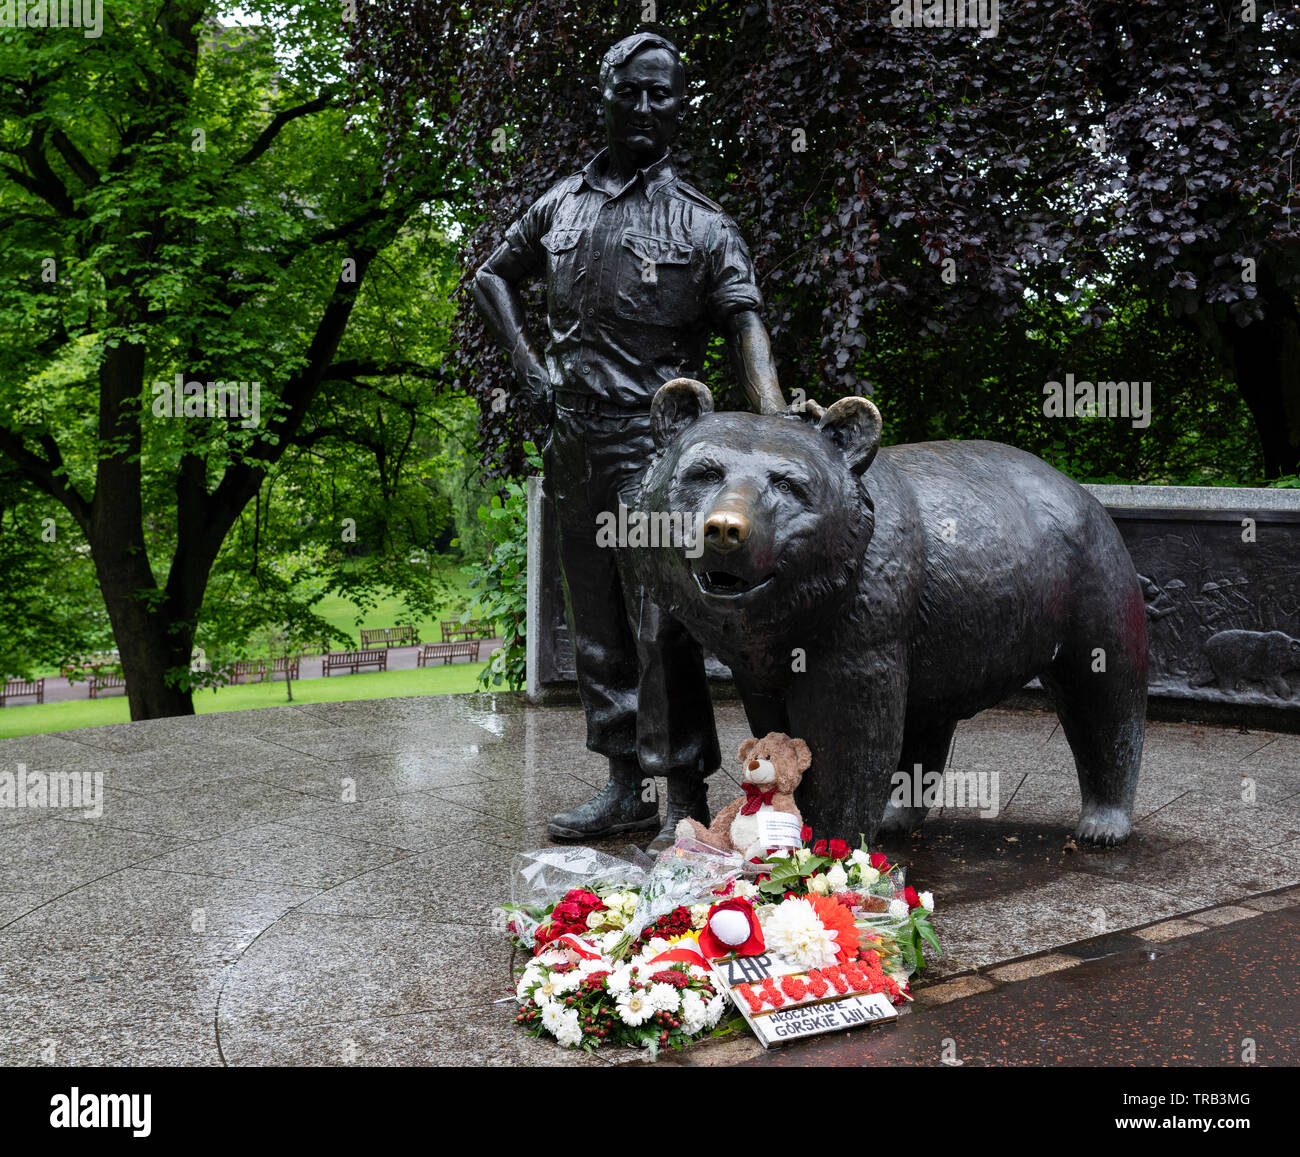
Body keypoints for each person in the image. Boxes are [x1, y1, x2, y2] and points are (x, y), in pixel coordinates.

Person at [472, 31, 786, 850]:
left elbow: (744, 321)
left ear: (680, 107)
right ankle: (621, 784)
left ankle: (683, 790)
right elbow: (492, 276)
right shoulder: (561, 204)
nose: (647, 107)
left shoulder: (701, 223)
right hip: (575, 439)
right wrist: (529, 367)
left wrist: (780, 428)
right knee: (599, 622)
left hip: (658, 454)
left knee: (661, 623)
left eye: (663, 94)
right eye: (633, 91)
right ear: (605, 94)